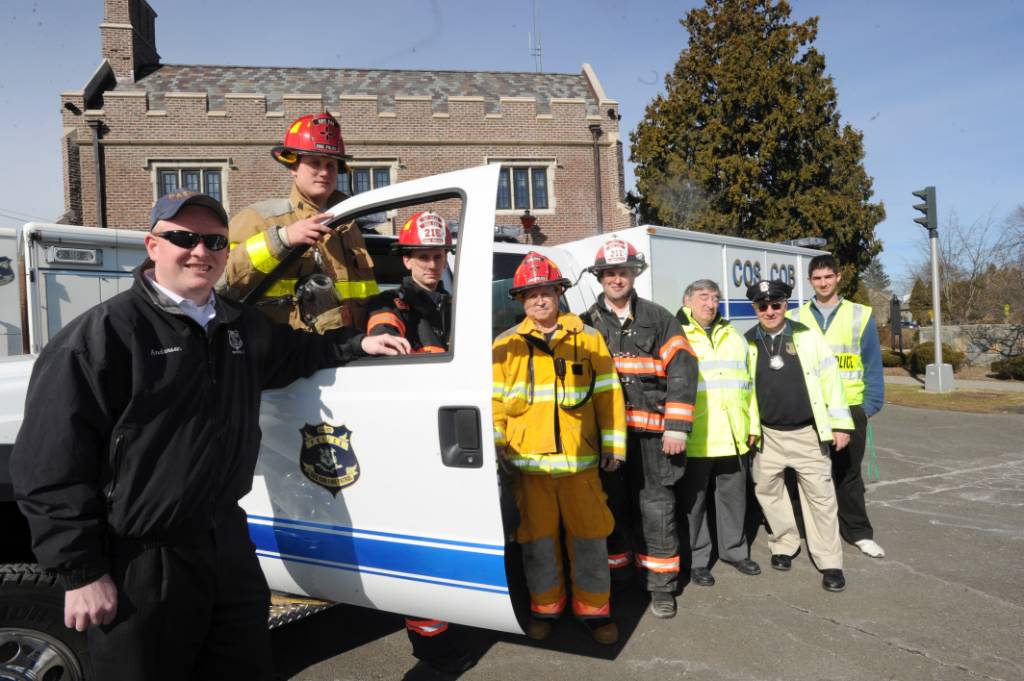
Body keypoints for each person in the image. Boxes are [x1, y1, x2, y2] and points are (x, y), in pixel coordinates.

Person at [9, 191, 409, 681]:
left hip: (227, 544)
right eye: (183, 238)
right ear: (152, 246)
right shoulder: (103, 335)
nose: (200, 251)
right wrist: (81, 572)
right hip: (142, 558)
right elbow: (49, 464)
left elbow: (298, 354)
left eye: (215, 241)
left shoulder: (240, 326)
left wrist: (358, 343)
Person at [492, 252, 626, 645]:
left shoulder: (587, 338)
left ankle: (594, 612)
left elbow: (608, 395)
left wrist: (614, 445)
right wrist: (499, 443)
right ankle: (545, 608)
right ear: (520, 300)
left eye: (546, 291)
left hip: (579, 466)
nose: (539, 300)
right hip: (529, 467)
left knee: (589, 539)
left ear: (558, 293)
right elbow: (495, 402)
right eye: (530, 294)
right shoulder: (504, 346)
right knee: (537, 540)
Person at [365, 211, 472, 674]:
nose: (432, 264)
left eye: (439, 255)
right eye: (423, 256)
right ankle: (432, 654)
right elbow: (383, 331)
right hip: (411, 451)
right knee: (420, 557)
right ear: (406, 259)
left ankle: (458, 626)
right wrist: (386, 337)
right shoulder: (394, 305)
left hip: (454, 448)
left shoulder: (457, 304)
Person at [580, 238, 698, 620]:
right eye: (610, 273)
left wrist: (677, 427)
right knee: (611, 510)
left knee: (657, 509)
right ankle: (620, 580)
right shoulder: (584, 324)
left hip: (653, 439)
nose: (617, 279)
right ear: (600, 277)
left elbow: (682, 370)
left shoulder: (659, 318)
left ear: (634, 274)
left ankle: (661, 586)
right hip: (607, 441)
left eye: (624, 272)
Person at [223, 111, 378, 332]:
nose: (324, 172)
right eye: (314, 163)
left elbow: (368, 296)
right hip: (290, 357)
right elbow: (220, 281)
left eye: (331, 165)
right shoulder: (258, 219)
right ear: (293, 167)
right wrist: (282, 239)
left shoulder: (350, 226)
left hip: (351, 352)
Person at [744, 279, 852, 593]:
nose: (769, 311)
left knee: (820, 498)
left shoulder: (807, 336)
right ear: (755, 309)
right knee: (770, 493)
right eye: (762, 306)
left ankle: (830, 561)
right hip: (767, 436)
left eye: (775, 304)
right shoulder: (748, 341)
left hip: (807, 433)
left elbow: (831, 379)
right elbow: (743, 391)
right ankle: (784, 545)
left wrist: (841, 424)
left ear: (785, 305)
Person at [789, 255, 886, 559]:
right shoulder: (796, 316)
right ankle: (803, 529)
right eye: (817, 279)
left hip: (850, 407)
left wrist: (869, 405)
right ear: (809, 282)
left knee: (848, 474)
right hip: (809, 410)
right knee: (805, 474)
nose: (823, 283)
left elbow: (872, 364)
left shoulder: (860, 314)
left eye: (828, 277)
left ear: (838, 277)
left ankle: (857, 532)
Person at [676, 279, 761, 588]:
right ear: (687, 301)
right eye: (702, 297)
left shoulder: (733, 337)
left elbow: (748, 385)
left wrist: (752, 425)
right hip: (696, 435)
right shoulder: (677, 334)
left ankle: (734, 551)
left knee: (733, 499)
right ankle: (698, 560)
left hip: (733, 434)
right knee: (693, 505)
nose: (710, 304)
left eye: (714, 298)